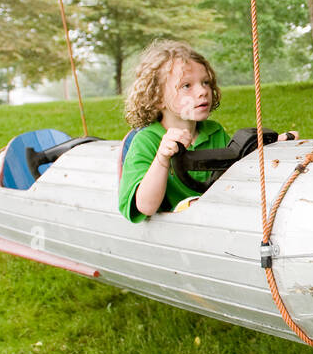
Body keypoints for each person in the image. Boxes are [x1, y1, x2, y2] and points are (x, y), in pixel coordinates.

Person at [117, 39, 294, 222]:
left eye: (206, 82)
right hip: (174, 233)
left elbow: (236, 175)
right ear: (157, 98)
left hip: (212, 223)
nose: (202, 91)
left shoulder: (214, 132)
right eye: (187, 86)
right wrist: (162, 159)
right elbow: (145, 206)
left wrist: (271, 148)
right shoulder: (147, 140)